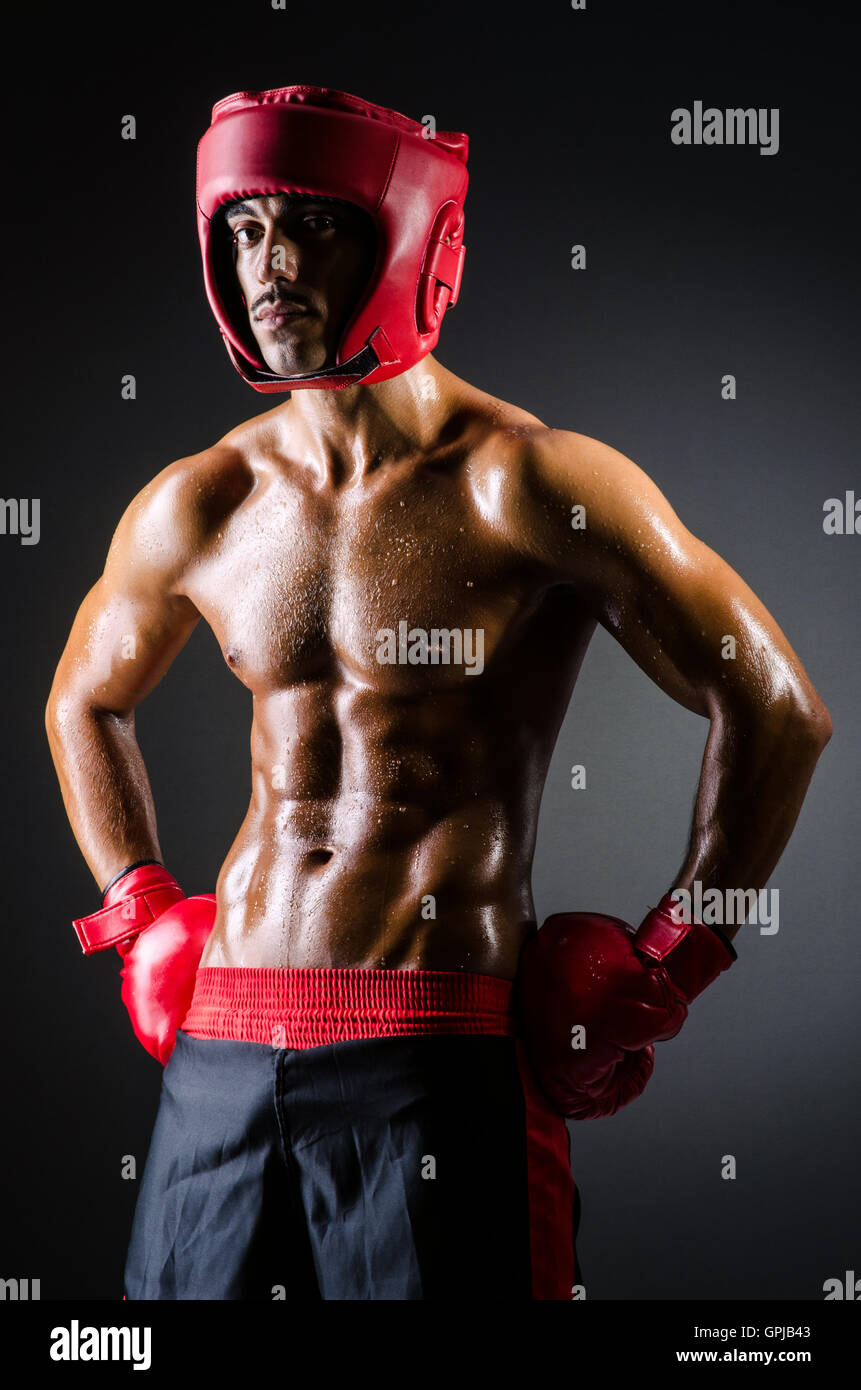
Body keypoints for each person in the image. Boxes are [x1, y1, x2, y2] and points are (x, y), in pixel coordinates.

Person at [45, 85, 832, 1301]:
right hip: (217, 1057)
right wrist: (139, 908)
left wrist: (677, 956)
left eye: (311, 224)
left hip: (433, 1052)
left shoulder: (532, 483)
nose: (273, 264)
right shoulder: (201, 501)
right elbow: (81, 701)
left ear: (410, 240)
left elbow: (778, 705)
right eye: (245, 230)